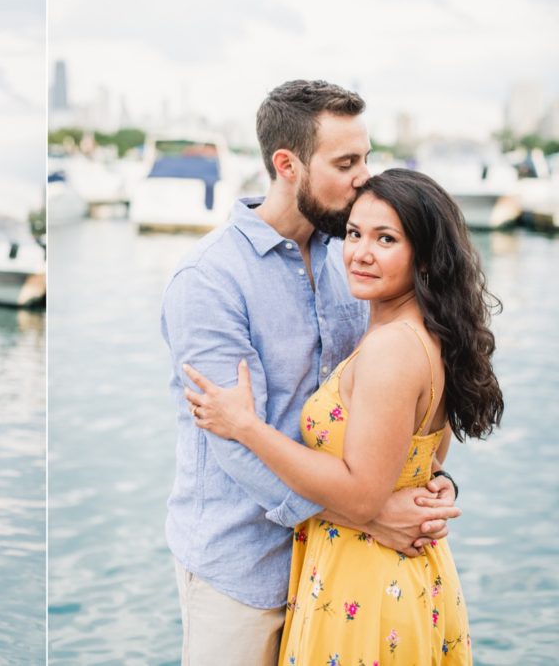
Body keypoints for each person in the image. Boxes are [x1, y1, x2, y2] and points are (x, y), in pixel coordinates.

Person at [160, 80, 462, 666]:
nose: (363, 178)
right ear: (288, 165)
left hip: (342, 566)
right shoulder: (209, 280)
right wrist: (372, 513)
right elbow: (232, 445)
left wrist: (429, 487)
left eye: (366, 158)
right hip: (245, 567)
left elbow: (396, 401)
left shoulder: (353, 259)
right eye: (346, 162)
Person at [186, 168, 504, 664]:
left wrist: (246, 427)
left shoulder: (392, 349)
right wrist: (434, 485)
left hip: (368, 586)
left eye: (386, 239)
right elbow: (427, 458)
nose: (360, 252)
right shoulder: (423, 334)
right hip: (402, 573)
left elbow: (361, 496)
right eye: (354, 234)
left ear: (422, 256)